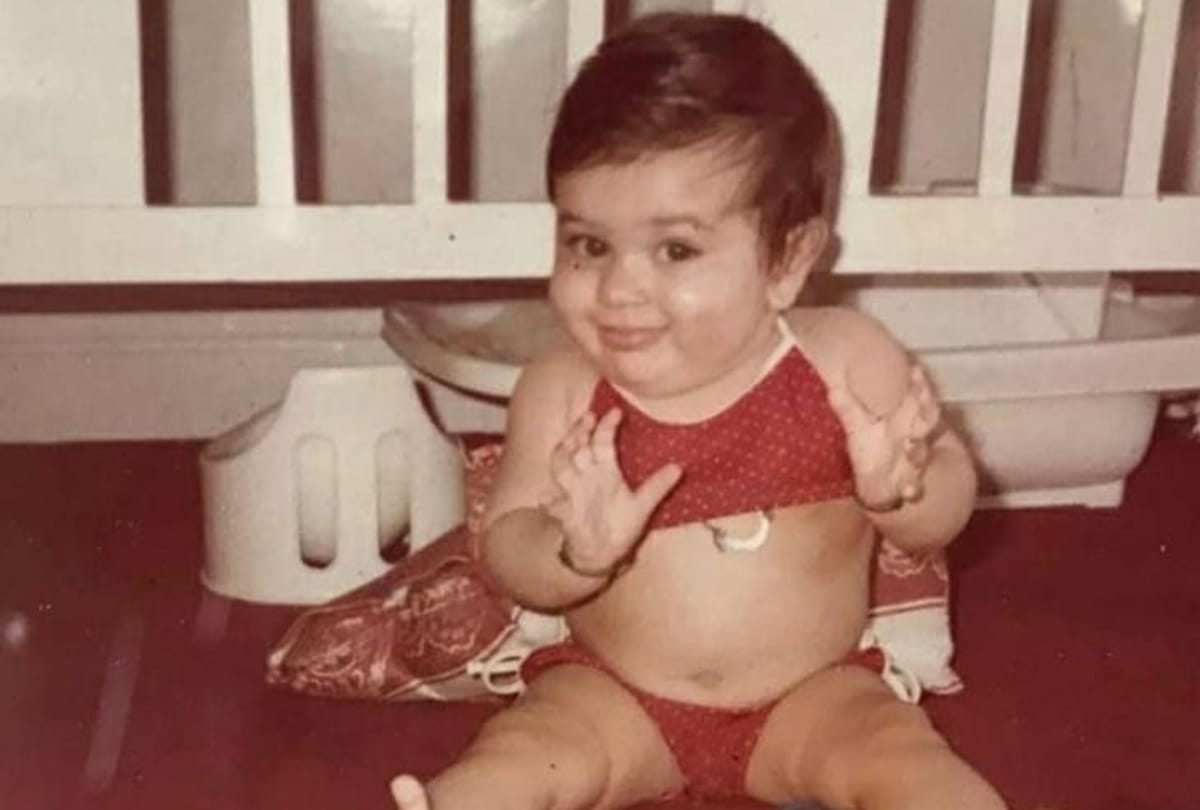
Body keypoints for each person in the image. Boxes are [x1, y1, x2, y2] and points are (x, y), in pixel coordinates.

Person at [392, 11, 1006, 810]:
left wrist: (903, 489)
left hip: (814, 697)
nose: (620, 288)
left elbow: (940, 518)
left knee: (904, 762)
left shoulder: (845, 361)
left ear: (787, 262)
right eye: (588, 245)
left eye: (675, 250)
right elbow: (507, 549)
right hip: (612, 697)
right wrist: (574, 554)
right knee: (522, 755)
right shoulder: (562, 387)